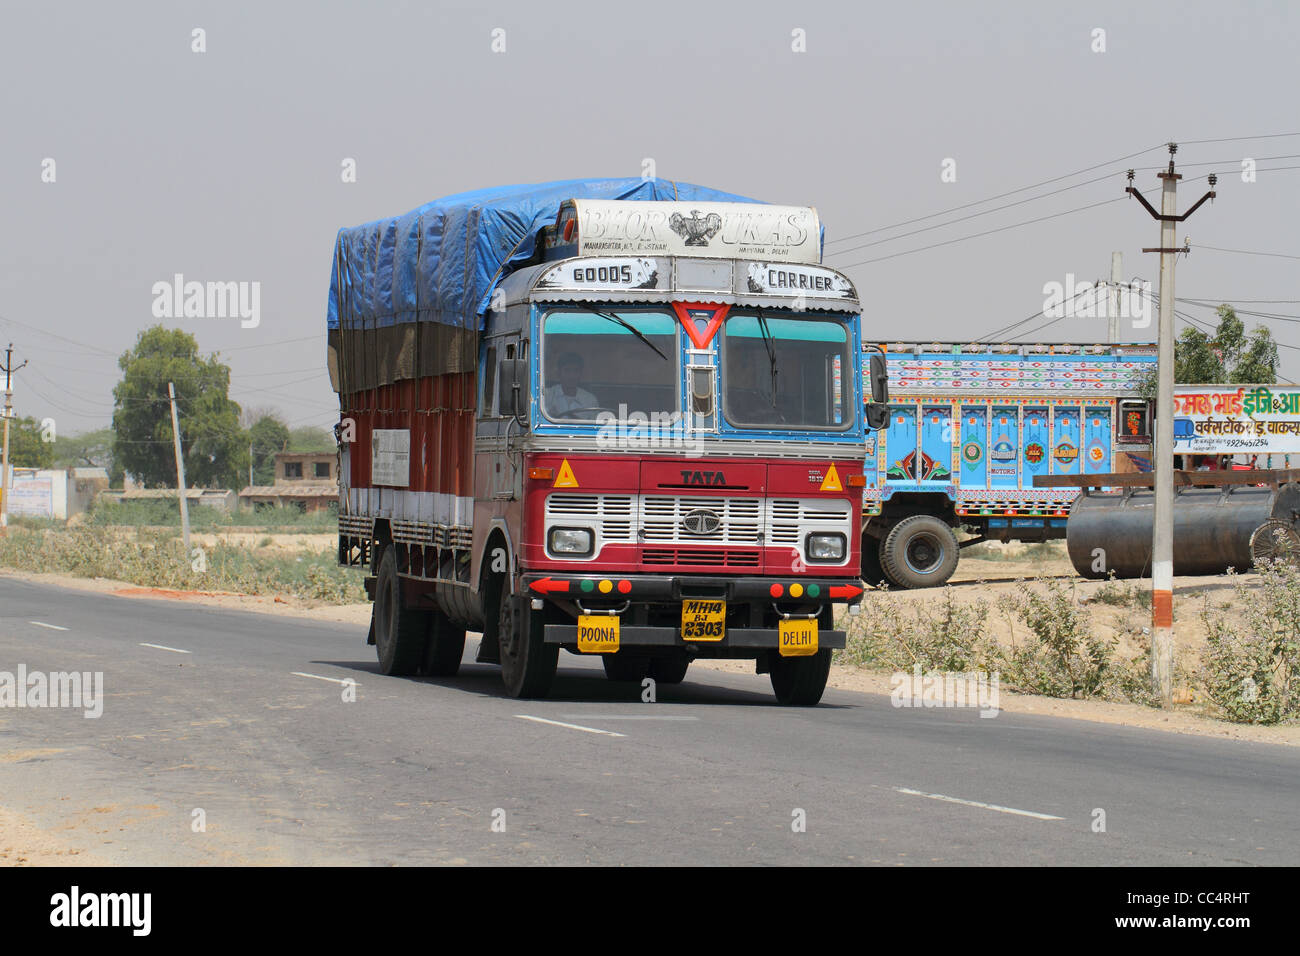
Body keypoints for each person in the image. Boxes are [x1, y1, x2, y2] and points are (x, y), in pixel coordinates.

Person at [544, 351, 598, 417]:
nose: (572, 376)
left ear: (581, 374)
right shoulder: (547, 395)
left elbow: (594, 425)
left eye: (576, 371)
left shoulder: (590, 400)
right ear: (559, 373)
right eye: (567, 370)